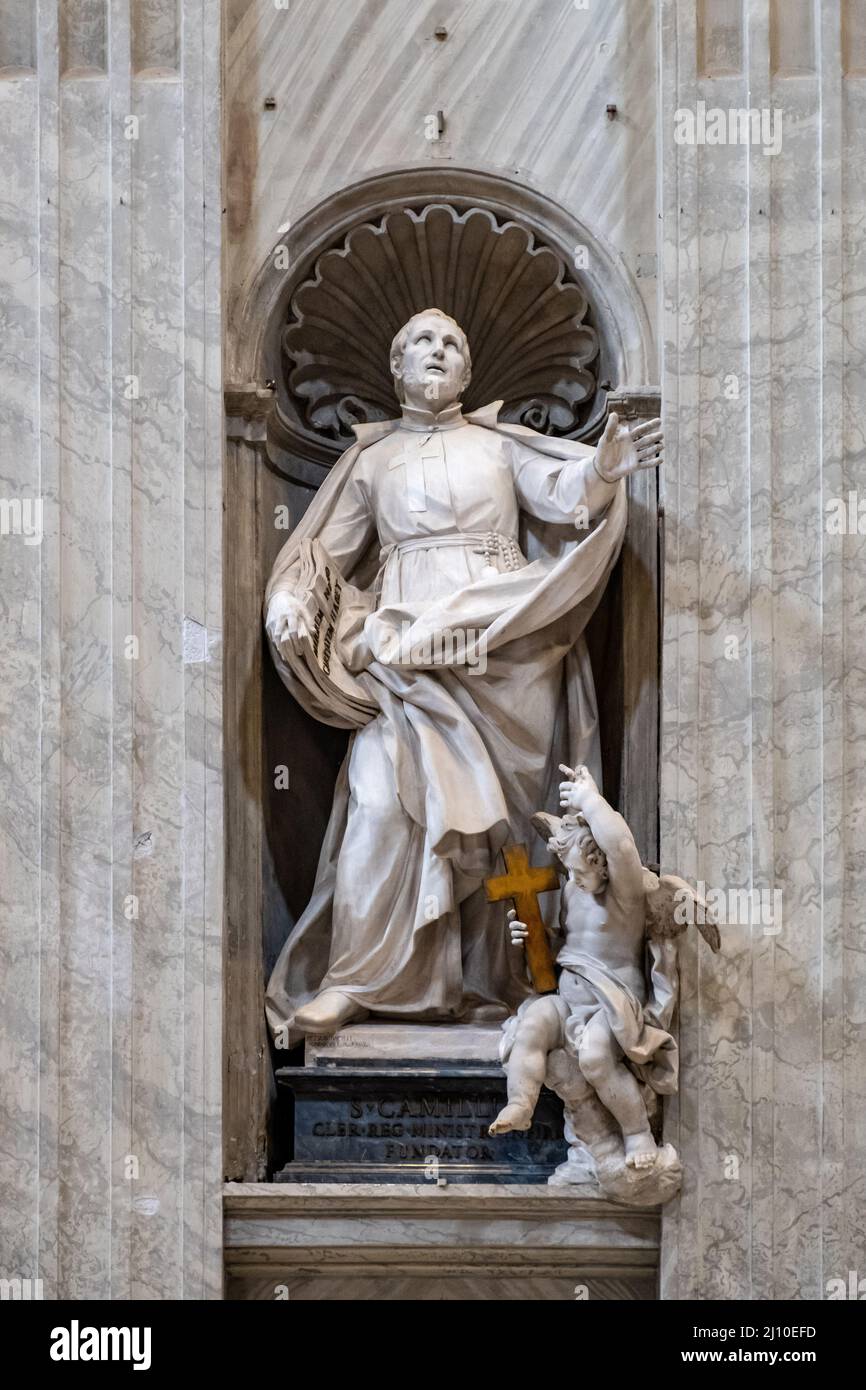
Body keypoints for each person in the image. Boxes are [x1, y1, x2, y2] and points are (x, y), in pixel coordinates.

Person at [264, 309, 663, 1038]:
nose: (438, 351)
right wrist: (288, 599)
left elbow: (568, 492)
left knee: (505, 835)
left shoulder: (499, 445)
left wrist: (605, 464)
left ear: (469, 371)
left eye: (452, 343)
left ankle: (500, 979)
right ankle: (357, 980)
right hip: (404, 650)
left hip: (504, 646)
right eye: (422, 340)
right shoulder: (372, 462)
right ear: (396, 366)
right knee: (381, 805)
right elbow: (322, 551)